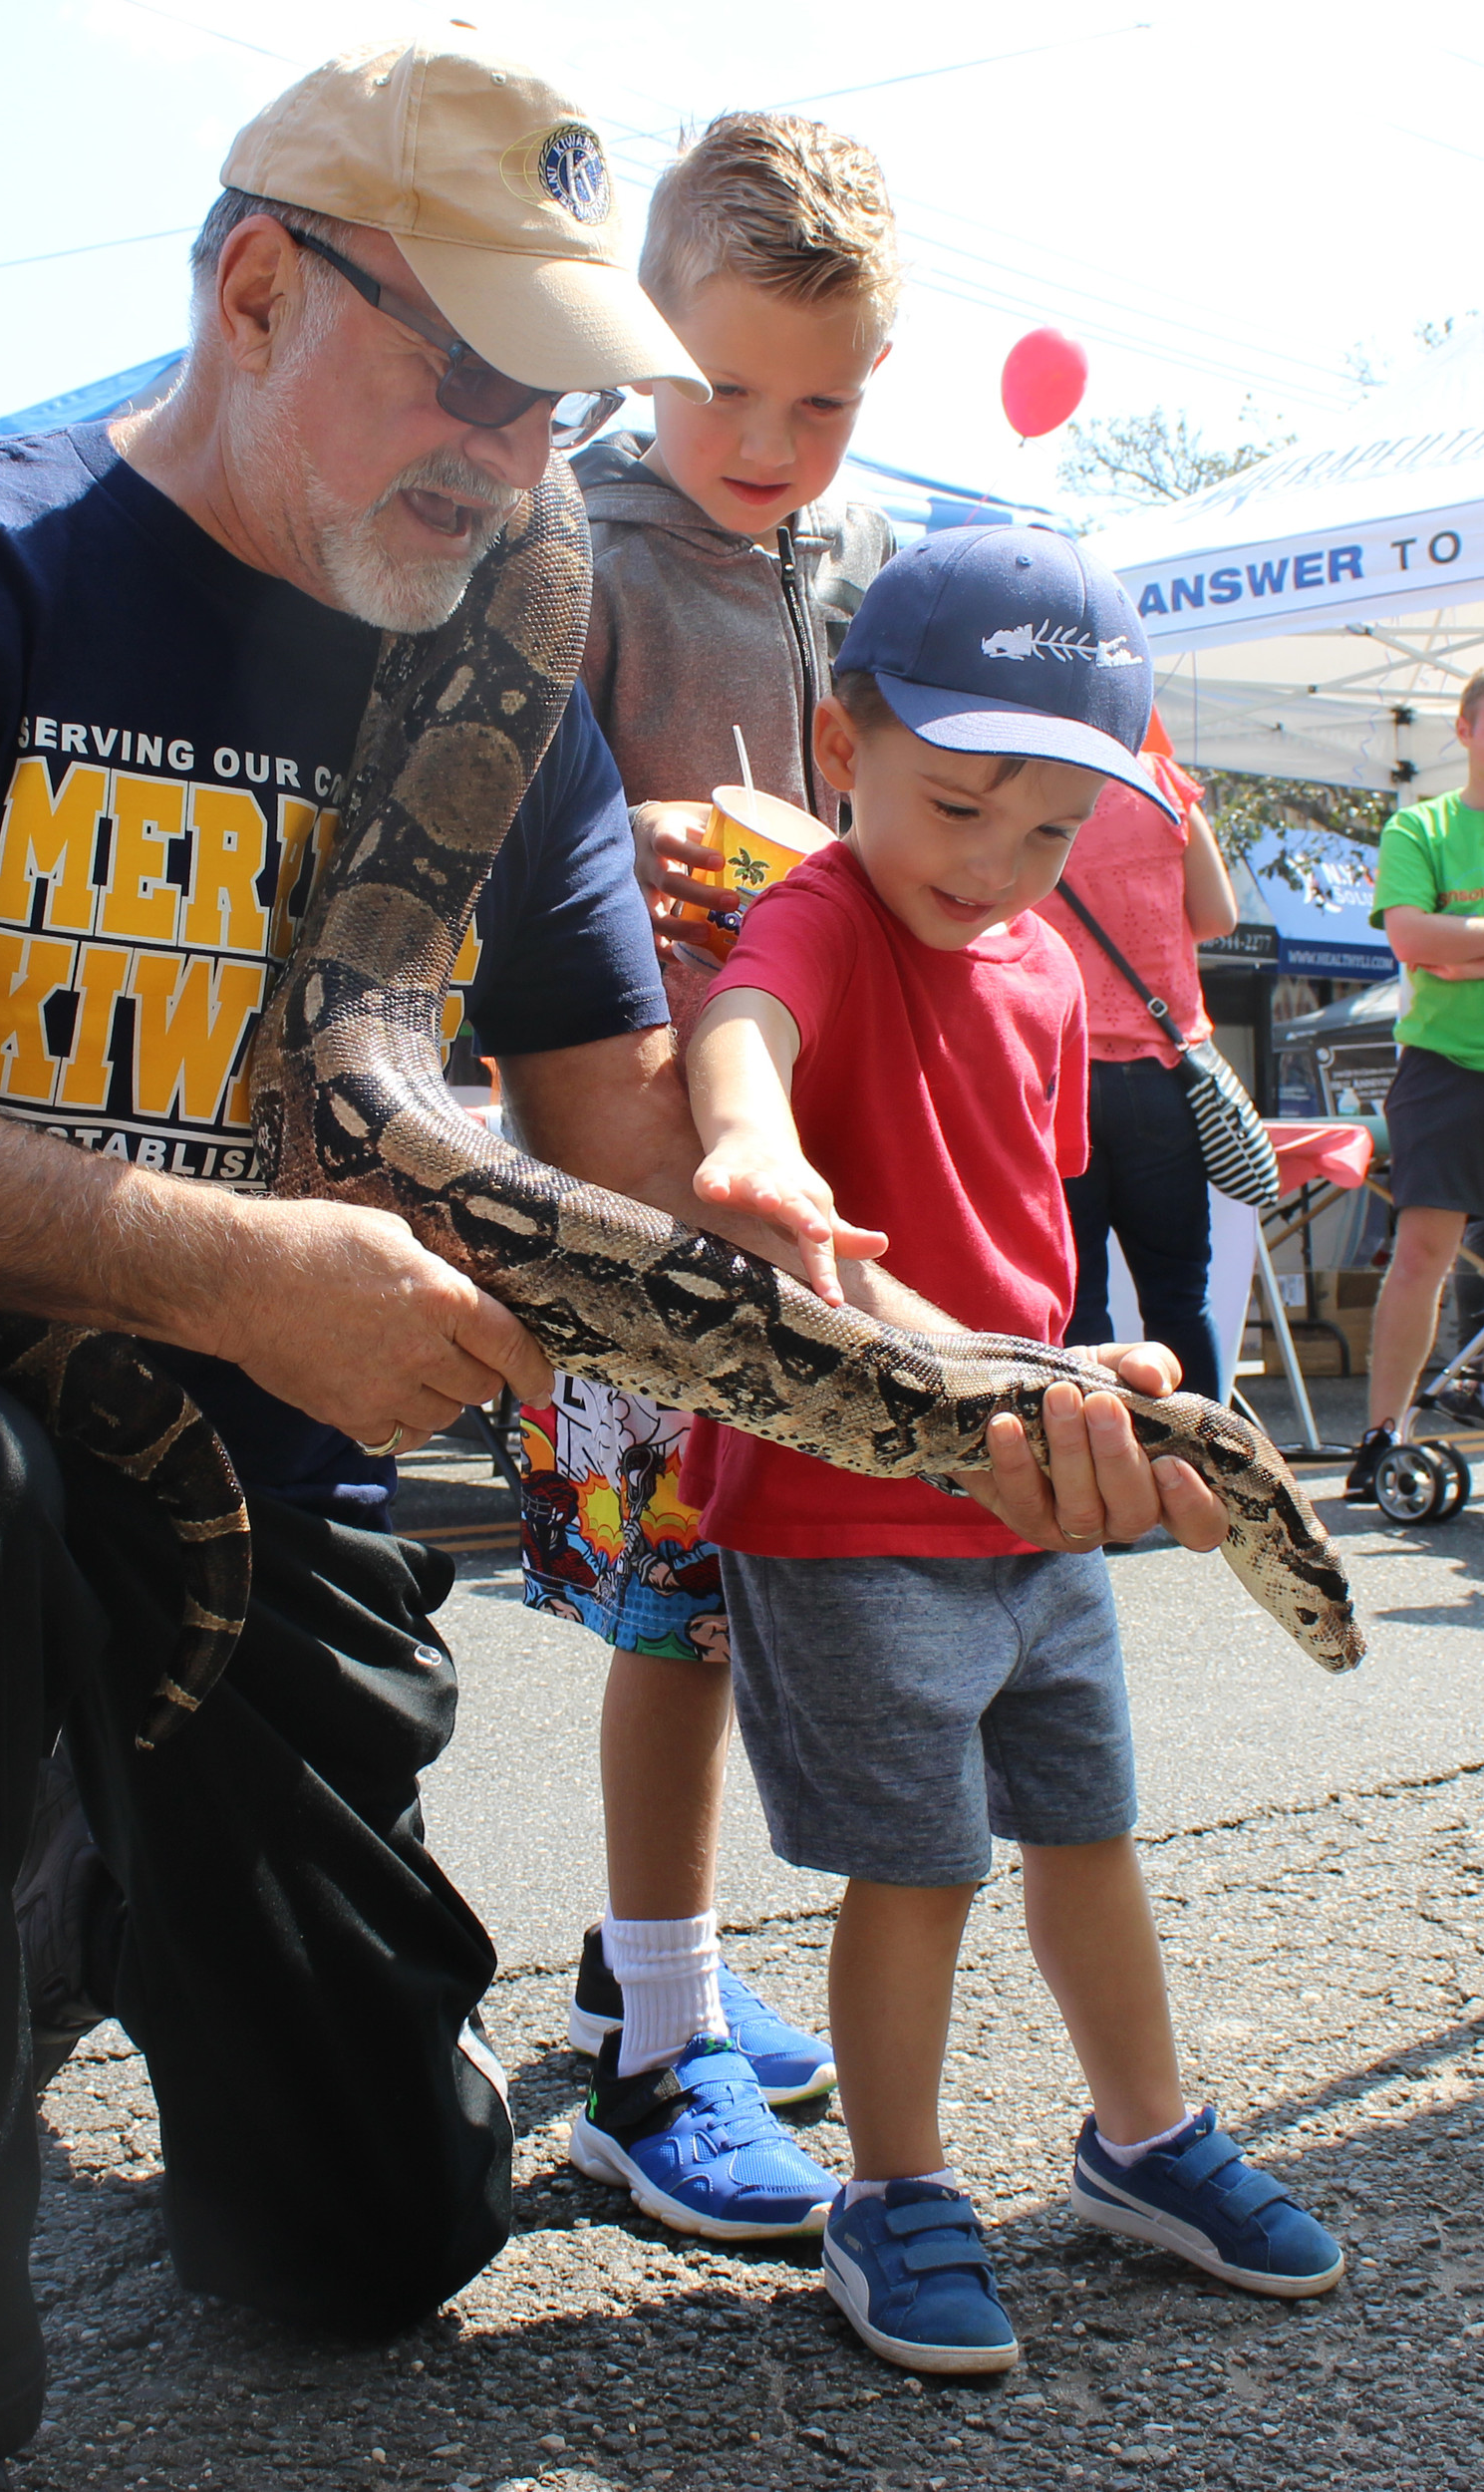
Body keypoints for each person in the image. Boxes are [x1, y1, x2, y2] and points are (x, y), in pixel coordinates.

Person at [0, 36, 1231, 2482]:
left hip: (258, 1483)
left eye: (557, 396)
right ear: (258, 292)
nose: (515, 451)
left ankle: (65, 1883)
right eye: (471, 370)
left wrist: (995, 1386)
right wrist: (224, 1265)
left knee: (369, 2244)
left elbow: (640, 1164)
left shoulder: (496, 680)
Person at [668, 524, 1345, 2376]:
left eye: (1047, 832)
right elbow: (746, 1019)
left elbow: (1029, 1219)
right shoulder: (823, 910)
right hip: (843, 1508)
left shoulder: (1045, 967)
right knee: (919, 1865)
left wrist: (1083, 1361)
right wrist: (752, 1139)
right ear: (842, 746)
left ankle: (1146, 2140)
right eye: (958, 806)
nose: (992, 866)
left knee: (1087, 1829)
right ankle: (894, 2191)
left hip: (1035, 1489)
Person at [511, 112, 903, 2224]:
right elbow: (485, 841)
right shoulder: (566, 544)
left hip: (779, 1160)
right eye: (724, 385)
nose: (767, 442)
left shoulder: (828, 564)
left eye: (818, 404)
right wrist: (621, 836)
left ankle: (647, 1954)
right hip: (636, 1174)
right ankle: (652, 2060)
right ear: (636, 337)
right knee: (680, 1617)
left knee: (739, 1604)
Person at [1038, 716, 1238, 1402]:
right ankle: (1207, 1455)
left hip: (1056, 1075)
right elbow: (1218, 915)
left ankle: (1090, 1452)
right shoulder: (1161, 785)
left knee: (1077, 1302)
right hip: (1160, 1076)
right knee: (1179, 1296)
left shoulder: (1033, 777)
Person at [1349, 668, 1484, 1489]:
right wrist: (1437, 945)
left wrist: (1462, 947)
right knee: (1421, 1253)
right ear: (1464, 728)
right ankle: (1379, 1436)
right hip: (1441, 1068)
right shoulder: (1420, 826)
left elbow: (1438, 940)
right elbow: (1409, 938)